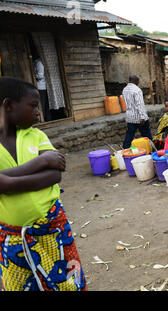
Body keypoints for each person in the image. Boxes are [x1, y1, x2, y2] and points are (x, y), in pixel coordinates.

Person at [0, 77, 86, 291]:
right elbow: (47, 166)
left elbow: (55, 175)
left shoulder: (36, 135)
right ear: (8, 105)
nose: (39, 112)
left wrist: (7, 181)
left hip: (52, 228)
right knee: (20, 286)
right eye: (33, 106)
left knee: (67, 282)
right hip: (11, 237)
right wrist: (41, 161)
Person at [122, 74, 153, 149]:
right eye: (138, 80)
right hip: (139, 118)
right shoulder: (137, 90)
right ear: (135, 80)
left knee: (129, 135)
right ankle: (153, 148)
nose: (138, 82)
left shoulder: (124, 89)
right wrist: (142, 117)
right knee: (147, 135)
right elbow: (140, 105)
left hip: (130, 117)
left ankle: (124, 149)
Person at [33, 57, 50, 122]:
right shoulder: (38, 62)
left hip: (41, 86)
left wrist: (34, 76)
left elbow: (40, 76)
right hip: (43, 86)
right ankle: (47, 118)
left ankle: (44, 118)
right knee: (44, 103)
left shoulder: (39, 62)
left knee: (42, 103)